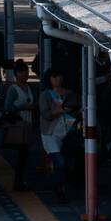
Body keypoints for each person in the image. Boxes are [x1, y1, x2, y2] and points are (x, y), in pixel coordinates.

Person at [39, 68, 76, 200]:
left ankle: (62, 183)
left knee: (66, 161)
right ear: (49, 79)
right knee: (60, 162)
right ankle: (59, 188)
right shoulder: (45, 95)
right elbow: (46, 114)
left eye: (59, 76)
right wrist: (61, 110)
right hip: (50, 132)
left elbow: (75, 109)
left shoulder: (70, 93)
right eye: (53, 77)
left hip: (67, 131)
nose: (57, 80)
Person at [1, 59, 36, 190]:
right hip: (18, 125)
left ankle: (20, 181)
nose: (25, 75)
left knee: (25, 155)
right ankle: (18, 182)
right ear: (16, 74)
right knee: (21, 155)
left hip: (28, 124)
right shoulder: (13, 89)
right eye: (21, 72)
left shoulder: (29, 87)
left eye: (26, 72)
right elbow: (7, 107)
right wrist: (23, 106)